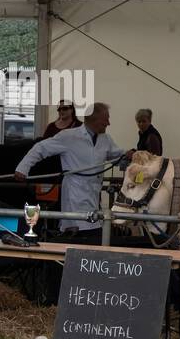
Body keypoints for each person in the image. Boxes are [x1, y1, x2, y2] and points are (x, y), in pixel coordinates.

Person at [14, 102, 130, 243]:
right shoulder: (69, 137)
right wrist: (23, 168)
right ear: (94, 119)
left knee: (94, 233)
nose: (108, 123)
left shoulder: (106, 139)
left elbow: (117, 157)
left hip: (94, 198)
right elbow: (40, 148)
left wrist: (129, 156)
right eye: (106, 119)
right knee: (79, 235)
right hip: (74, 197)